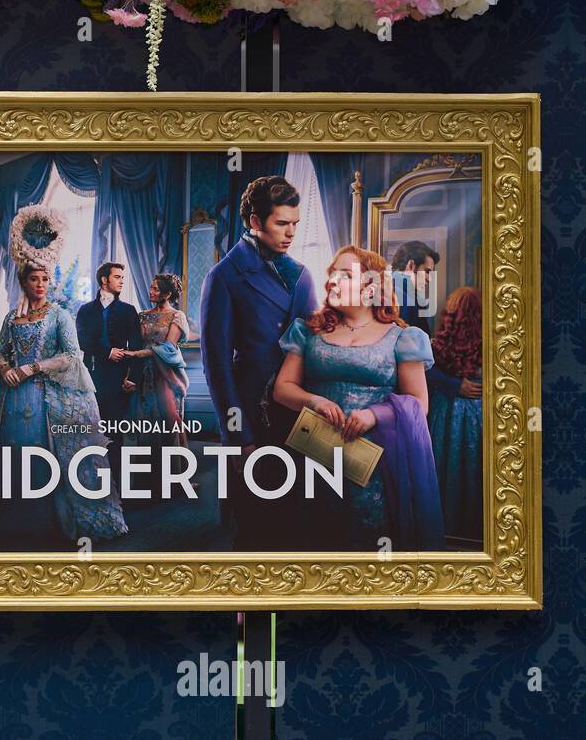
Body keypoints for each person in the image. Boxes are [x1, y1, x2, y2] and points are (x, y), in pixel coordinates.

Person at [272, 245, 444, 552]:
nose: (331, 281)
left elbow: (419, 403)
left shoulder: (403, 338)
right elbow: (283, 388)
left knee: (368, 538)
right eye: (331, 274)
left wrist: (374, 414)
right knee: (313, 539)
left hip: (375, 461)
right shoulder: (308, 331)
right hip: (313, 453)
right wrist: (314, 401)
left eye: (344, 274)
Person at [199, 175, 318, 550]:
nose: (290, 233)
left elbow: (312, 350)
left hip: (299, 413)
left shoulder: (301, 275)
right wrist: (240, 438)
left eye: (295, 225)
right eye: (281, 223)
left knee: (300, 524)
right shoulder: (223, 277)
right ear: (254, 221)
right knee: (256, 529)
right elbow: (217, 366)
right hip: (254, 416)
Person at [0, 255, 129, 544]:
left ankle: (48, 521)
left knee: (44, 453)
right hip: (13, 398)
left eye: (45, 279)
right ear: (23, 282)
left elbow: (72, 356)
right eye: (34, 279)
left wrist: (32, 367)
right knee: (14, 454)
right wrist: (6, 368)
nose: (40, 284)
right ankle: (14, 518)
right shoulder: (12, 317)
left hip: (44, 398)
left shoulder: (59, 314)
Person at [426, 285, 482, 543]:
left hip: (445, 413)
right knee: (470, 468)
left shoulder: (437, 345)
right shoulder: (491, 345)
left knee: (446, 466)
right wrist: (456, 385)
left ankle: (444, 529)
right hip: (475, 416)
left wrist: (450, 385)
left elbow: (427, 371)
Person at [75, 261, 140, 456]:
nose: (122, 281)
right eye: (117, 277)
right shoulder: (85, 310)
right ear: (104, 280)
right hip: (90, 376)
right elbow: (82, 341)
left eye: (122, 277)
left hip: (118, 377)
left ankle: (115, 478)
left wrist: (133, 378)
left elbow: (137, 346)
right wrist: (107, 352)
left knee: (115, 429)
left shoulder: (128, 310)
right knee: (91, 426)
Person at [127, 273, 191, 452]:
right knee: (145, 421)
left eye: (156, 288)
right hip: (144, 374)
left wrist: (137, 354)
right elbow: (135, 342)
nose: (151, 291)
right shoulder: (142, 316)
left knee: (170, 420)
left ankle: (177, 473)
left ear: (167, 294)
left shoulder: (176, 316)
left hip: (165, 374)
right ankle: (148, 477)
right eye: (151, 287)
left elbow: (169, 349)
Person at [390, 241, 439, 334]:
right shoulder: (404, 301)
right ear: (411, 265)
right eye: (427, 271)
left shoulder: (387, 289)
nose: (429, 279)